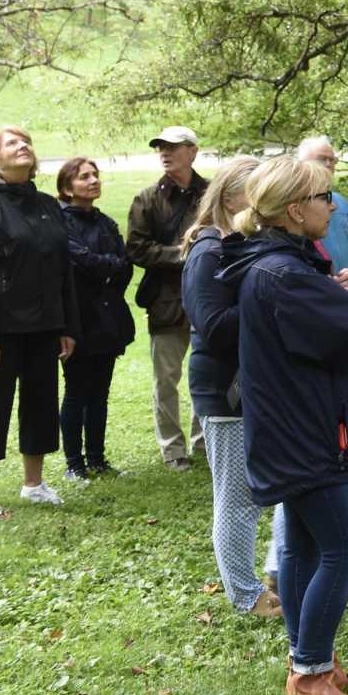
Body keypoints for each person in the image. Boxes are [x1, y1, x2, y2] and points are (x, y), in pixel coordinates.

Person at [221, 155, 348, 695]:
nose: (331, 205)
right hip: (310, 435)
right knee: (345, 544)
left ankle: (308, 661)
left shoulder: (283, 267)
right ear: (295, 210)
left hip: (294, 428)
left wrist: (344, 287)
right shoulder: (283, 275)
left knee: (304, 547)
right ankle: (310, 674)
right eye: (323, 196)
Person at [181, 156, 286, 618]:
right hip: (225, 391)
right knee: (238, 498)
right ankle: (244, 595)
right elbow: (215, 326)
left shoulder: (245, 245)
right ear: (230, 198)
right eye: (258, 190)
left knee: (280, 486)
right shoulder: (208, 251)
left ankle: (276, 575)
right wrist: (275, 307)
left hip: (258, 387)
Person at [0, 125, 78, 519]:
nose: (23, 146)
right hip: (0, 331)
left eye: (25, 141)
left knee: (41, 404)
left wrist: (66, 326)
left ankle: (34, 484)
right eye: (12, 143)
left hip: (44, 326)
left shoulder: (47, 205)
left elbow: (63, 270)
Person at [128, 126, 210, 470]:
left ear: (192, 151)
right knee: (166, 377)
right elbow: (135, 247)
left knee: (207, 373)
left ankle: (204, 441)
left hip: (208, 296)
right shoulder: (147, 199)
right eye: (161, 147)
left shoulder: (212, 194)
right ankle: (173, 450)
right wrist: (180, 255)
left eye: (173, 147)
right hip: (166, 299)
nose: (165, 152)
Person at [55, 156, 133, 481]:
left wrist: (105, 267)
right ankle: (75, 463)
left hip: (107, 318)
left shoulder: (106, 223)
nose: (93, 181)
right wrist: (106, 265)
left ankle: (98, 459)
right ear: (66, 187)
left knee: (100, 391)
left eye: (95, 175)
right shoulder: (60, 224)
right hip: (76, 319)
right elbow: (79, 261)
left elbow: (125, 265)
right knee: (77, 390)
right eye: (84, 177)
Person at [298, 136, 348, 276]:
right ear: (302, 163)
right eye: (322, 159)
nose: (328, 164)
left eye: (332, 160)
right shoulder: (298, 205)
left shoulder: (341, 203)